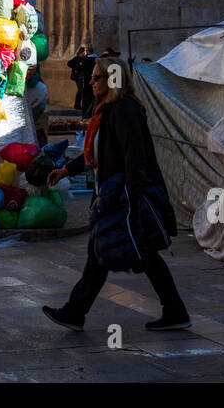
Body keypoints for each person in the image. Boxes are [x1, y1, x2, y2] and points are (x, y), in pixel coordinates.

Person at [41, 56, 191, 332]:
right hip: (112, 196)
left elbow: (134, 157)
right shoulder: (107, 111)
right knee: (106, 254)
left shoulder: (124, 110)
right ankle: (77, 312)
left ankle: (77, 312)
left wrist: (132, 199)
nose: (91, 82)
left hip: (122, 198)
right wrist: (66, 171)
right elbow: (98, 153)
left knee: (133, 253)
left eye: (97, 77)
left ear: (113, 80)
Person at [67, 45, 94, 116]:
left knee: (80, 90)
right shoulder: (77, 58)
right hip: (77, 77)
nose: (83, 54)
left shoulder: (85, 59)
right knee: (80, 90)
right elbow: (69, 63)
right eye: (83, 53)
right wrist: (76, 67)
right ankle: (77, 105)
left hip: (81, 77)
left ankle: (78, 104)